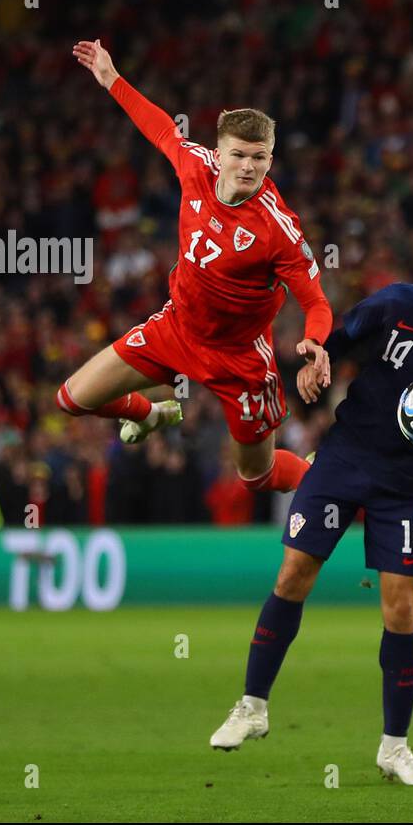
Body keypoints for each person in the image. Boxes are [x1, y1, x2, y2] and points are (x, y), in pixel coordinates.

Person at [208, 226, 413, 787]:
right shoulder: (400, 301)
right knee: (294, 575)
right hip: (344, 460)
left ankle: (394, 748)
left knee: (401, 610)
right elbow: (340, 340)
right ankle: (252, 706)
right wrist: (317, 363)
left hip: (408, 485)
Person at [56, 39, 332, 497]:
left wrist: (317, 343)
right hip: (177, 329)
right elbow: (161, 129)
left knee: (256, 477)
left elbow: (316, 301)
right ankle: (151, 415)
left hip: (240, 359)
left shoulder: (278, 229)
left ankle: (326, 478)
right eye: (239, 155)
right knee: (70, 399)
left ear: (270, 158)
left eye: (259, 157)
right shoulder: (195, 167)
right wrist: (111, 78)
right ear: (220, 153)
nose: (248, 167)